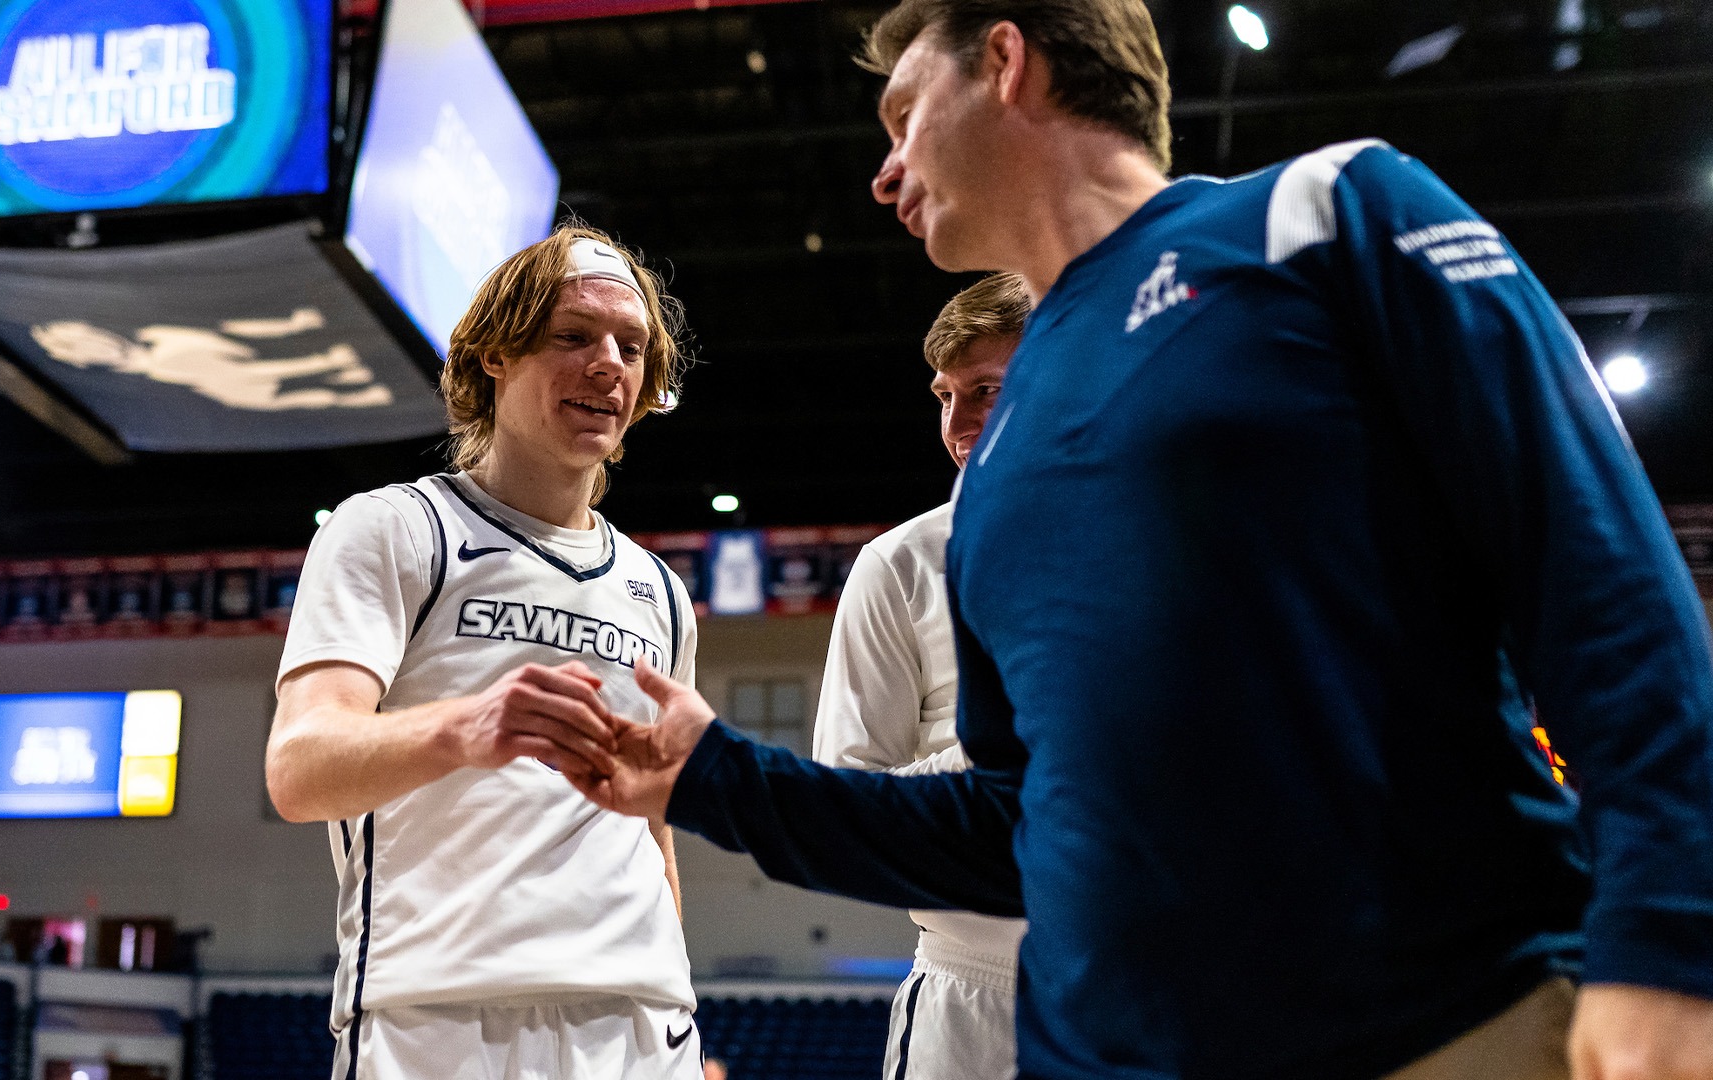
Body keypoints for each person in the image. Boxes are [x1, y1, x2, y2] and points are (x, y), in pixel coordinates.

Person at [550, 2, 1713, 1079]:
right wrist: (720, 778)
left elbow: (1599, 575)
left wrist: (1666, 941)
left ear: (1006, 61)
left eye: (904, 114)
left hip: (1442, 1026)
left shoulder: (1327, 212)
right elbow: (1016, 819)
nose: (883, 170)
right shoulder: (997, 465)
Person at [266, 225, 705, 1080]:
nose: (609, 364)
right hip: (438, 1019)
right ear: (496, 354)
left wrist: (676, 995)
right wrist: (465, 727)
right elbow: (299, 769)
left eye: (631, 346)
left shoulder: (660, 589)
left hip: (640, 1029)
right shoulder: (395, 529)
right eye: (573, 336)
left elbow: (654, 828)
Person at [811, 273, 1030, 1080]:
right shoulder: (900, 565)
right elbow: (842, 816)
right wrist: (998, 754)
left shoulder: (1164, 534)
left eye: (986, 390)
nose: (958, 423)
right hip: (974, 993)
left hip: (1148, 981)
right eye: (945, 394)